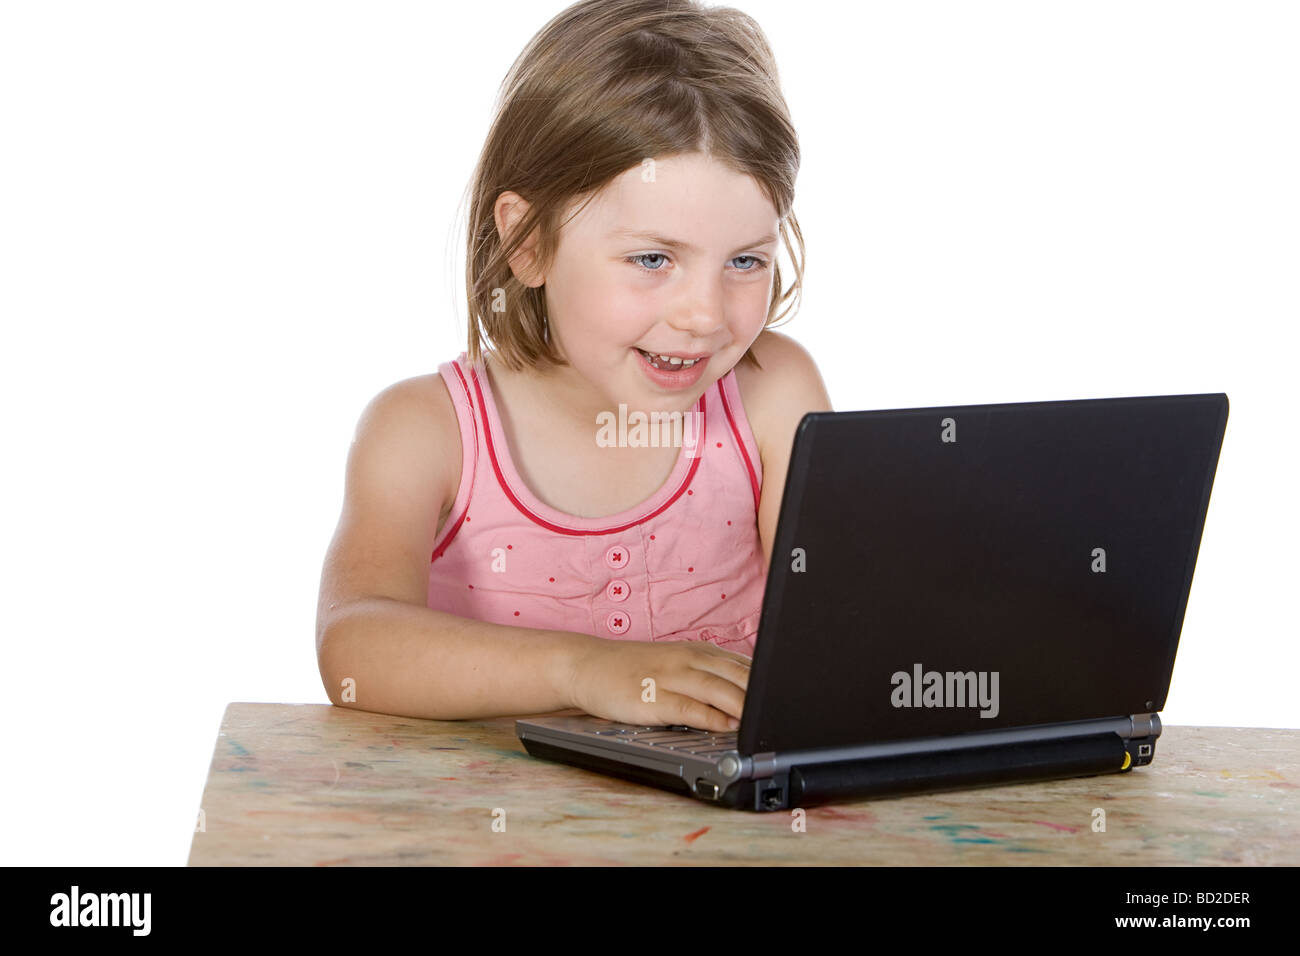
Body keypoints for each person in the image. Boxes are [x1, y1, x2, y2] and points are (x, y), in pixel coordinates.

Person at [316, 0, 831, 732]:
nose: (706, 316)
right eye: (653, 259)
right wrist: (582, 668)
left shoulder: (774, 396)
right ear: (528, 241)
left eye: (745, 260)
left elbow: (840, 627)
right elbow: (353, 650)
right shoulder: (426, 431)